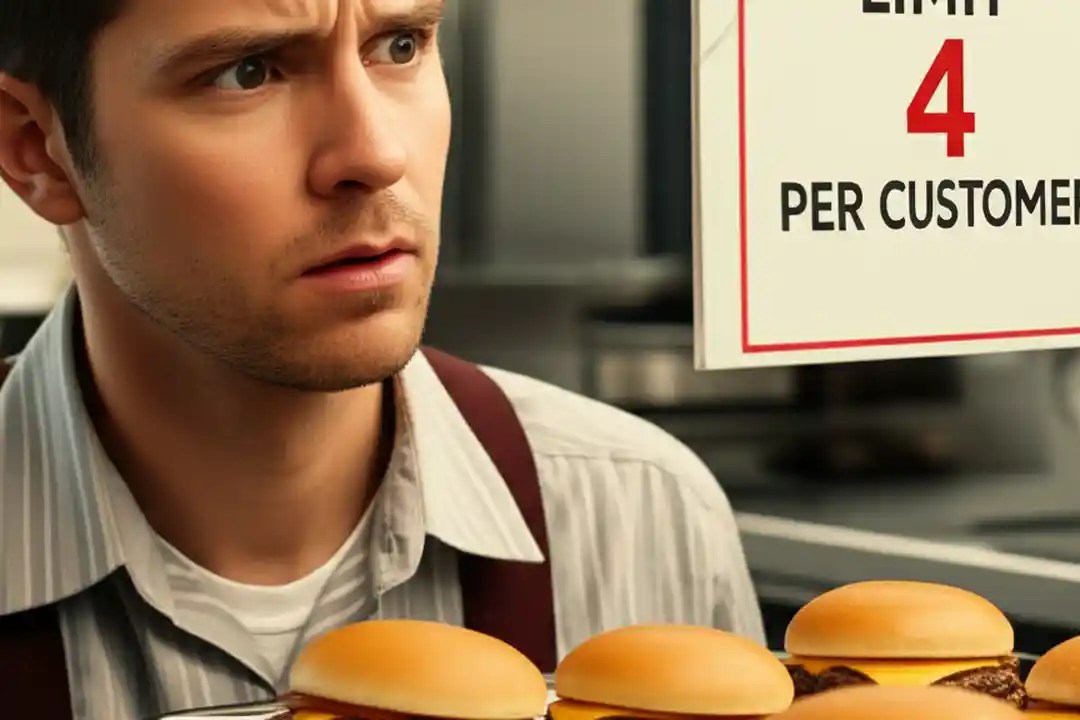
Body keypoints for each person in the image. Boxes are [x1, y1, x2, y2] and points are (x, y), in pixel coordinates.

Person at [0, 0, 765, 716]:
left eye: (400, 46)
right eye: (248, 72)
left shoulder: (645, 518)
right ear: (38, 152)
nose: (376, 153)